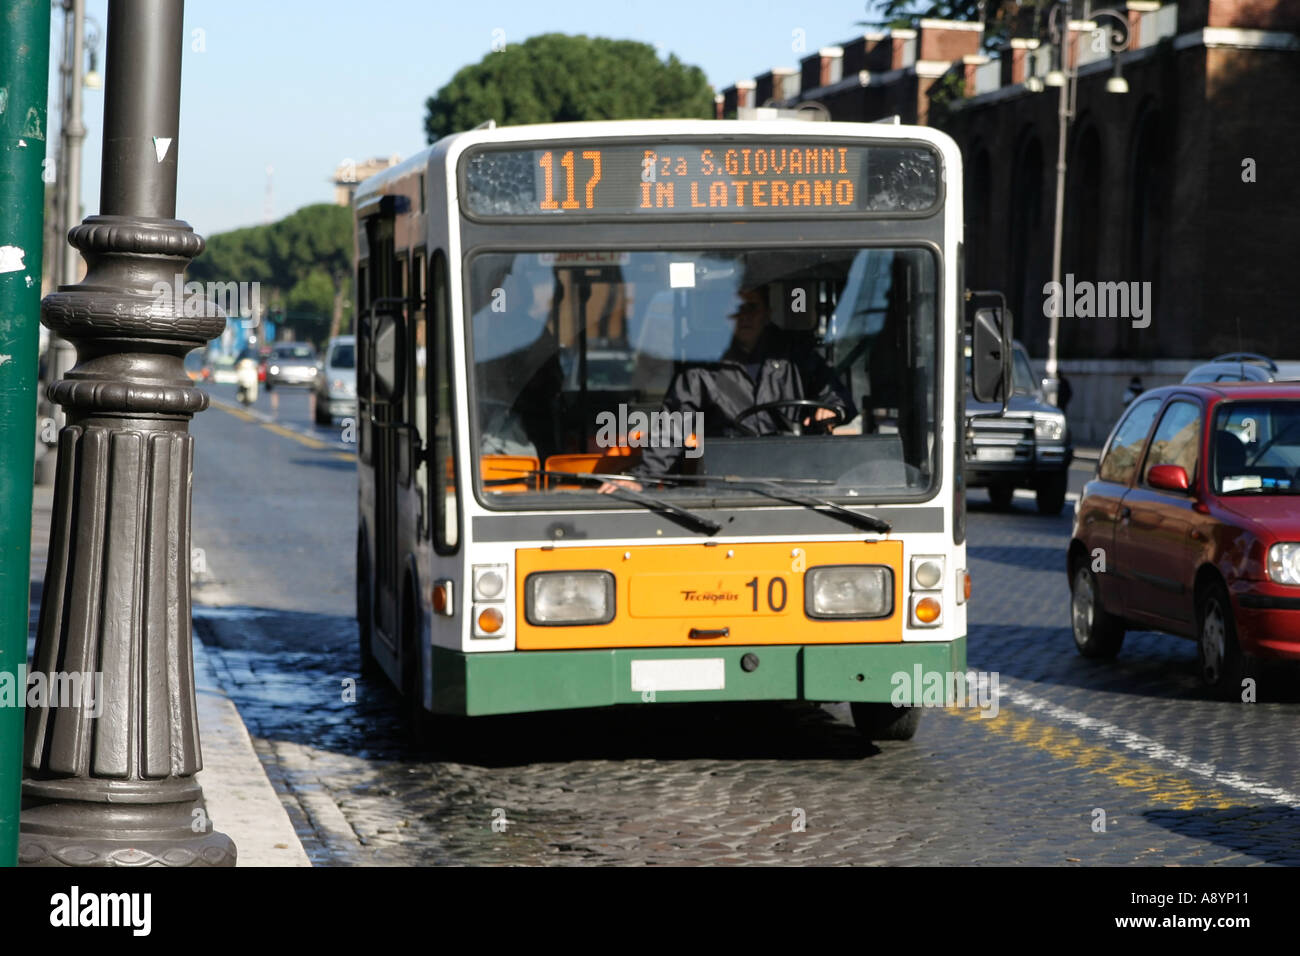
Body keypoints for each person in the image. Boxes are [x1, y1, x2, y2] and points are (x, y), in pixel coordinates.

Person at [599, 285, 855, 492]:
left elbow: (837, 395)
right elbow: (674, 425)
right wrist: (642, 478)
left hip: (797, 479)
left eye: (751, 307)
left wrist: (834, 410)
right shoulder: (703, 365)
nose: (743, 316)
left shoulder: (797, 355)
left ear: (768, 312)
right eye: (735, 309)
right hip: (727, 483)